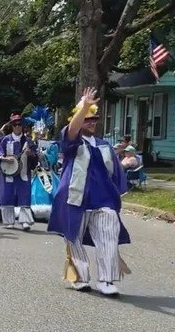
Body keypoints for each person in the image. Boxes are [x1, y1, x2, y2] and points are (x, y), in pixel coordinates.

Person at [48, 88, 130, 296]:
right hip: (75, 199)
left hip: (103, 200)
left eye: (94, 119)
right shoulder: (72, 143)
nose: (91, 122)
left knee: (109, 238)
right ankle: (80, 277)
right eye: (87, 119)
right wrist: (84, 106)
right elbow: (72, 130)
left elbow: (116, 174)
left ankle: (106, 280)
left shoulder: (104, 145)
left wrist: (116, 195)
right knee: (74, 239)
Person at [0, 114, 39, 230]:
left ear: (22, 126)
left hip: (23, 172)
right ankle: (9, 221)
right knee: (7, 195)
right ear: (12, 126)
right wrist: (3, 158)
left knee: (24, 195)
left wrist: (31, 154)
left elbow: (35, 157)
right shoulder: (5, 140)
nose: (17, 127)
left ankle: (25, 221)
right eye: (15, 125)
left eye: (19, 124)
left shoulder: (28, 141)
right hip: (8, 172)